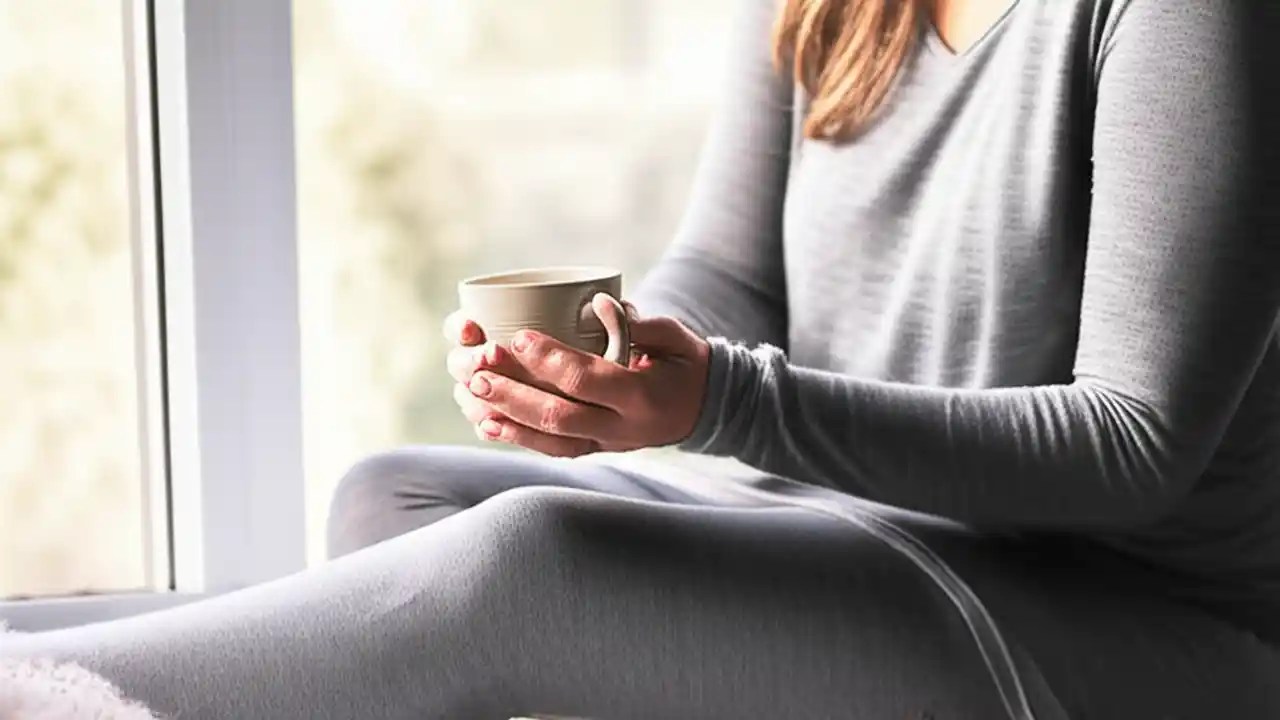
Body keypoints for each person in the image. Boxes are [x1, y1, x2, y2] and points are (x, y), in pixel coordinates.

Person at [4, 0, 1280, 717]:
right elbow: (728, 278)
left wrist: (718, 400)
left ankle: (45, 694)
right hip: (852, 527)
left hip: (1119, 621)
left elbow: (1132, 444)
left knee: (525, 566)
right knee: (397, 499)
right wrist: (594, 376)